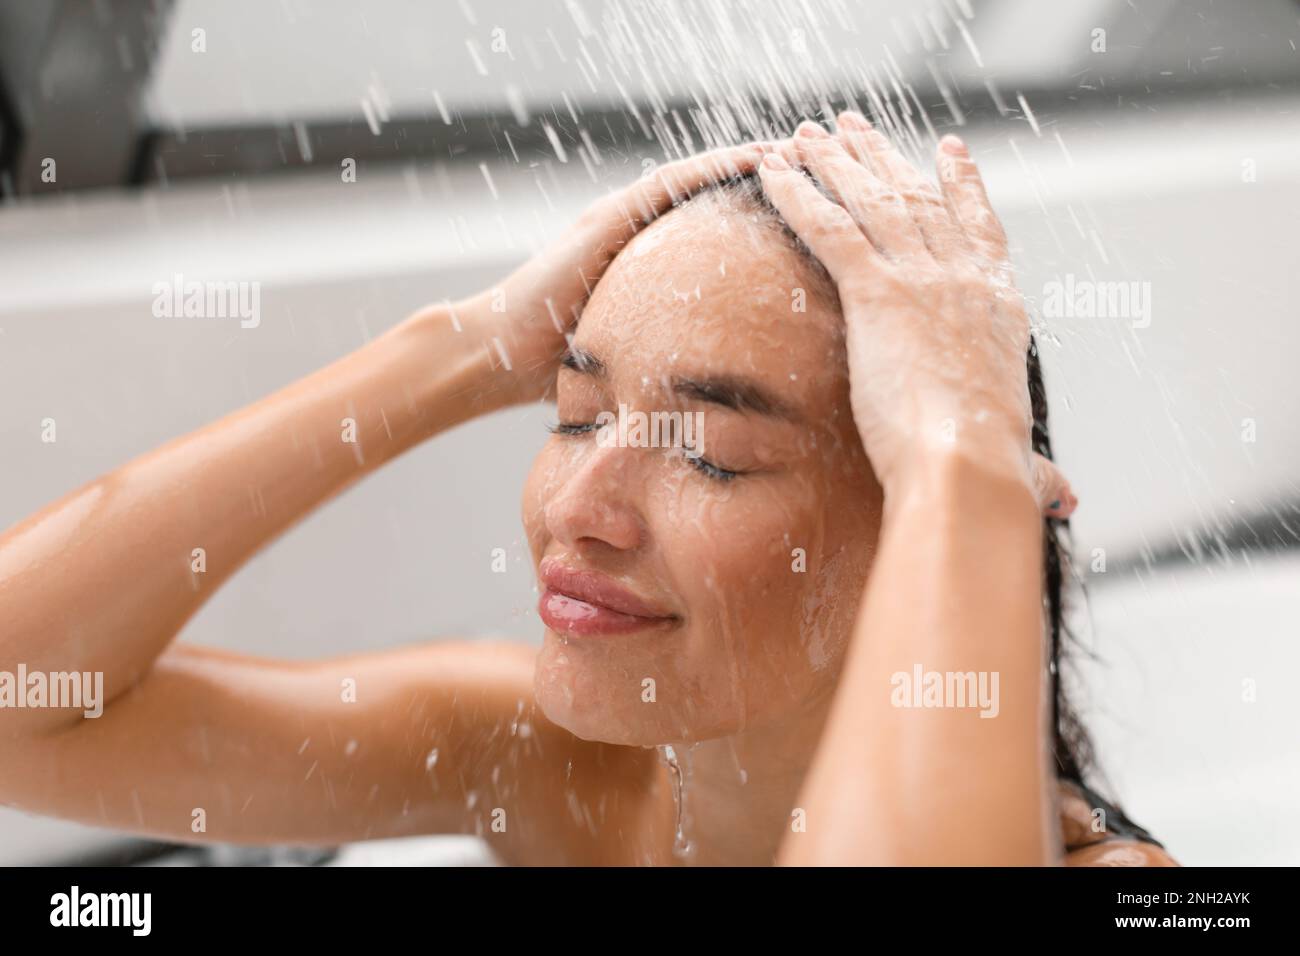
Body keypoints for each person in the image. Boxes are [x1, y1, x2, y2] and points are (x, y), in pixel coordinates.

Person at [0, 113, 1175, 865]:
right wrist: (456, 349)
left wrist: (964, 465)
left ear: (921, 531)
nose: (578, 508)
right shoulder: (544, 769)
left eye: (709, 453)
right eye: (572, 416)